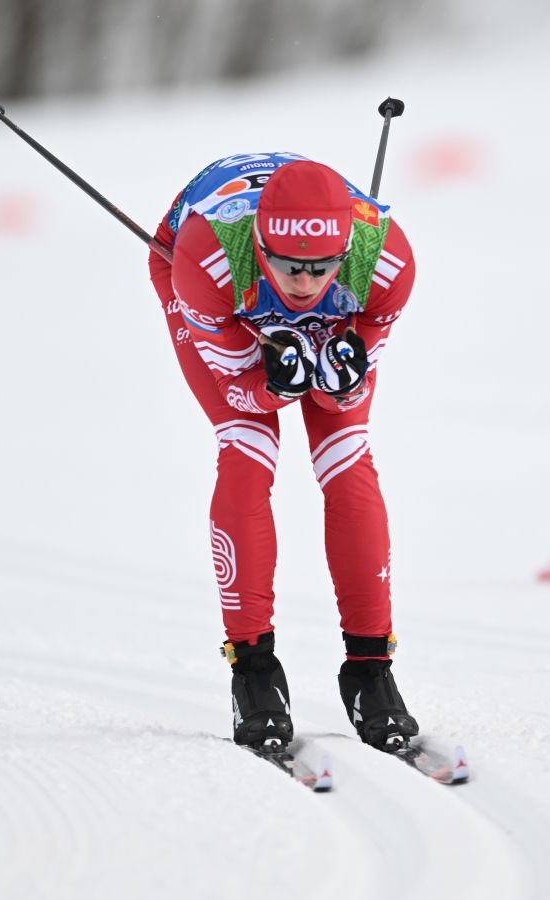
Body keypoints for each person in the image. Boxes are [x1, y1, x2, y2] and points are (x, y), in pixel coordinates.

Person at [147, 152, 419, 750]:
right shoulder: (206, 258)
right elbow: (238, 390)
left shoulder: (387, 261)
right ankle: (254, 672)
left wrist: (342, 371)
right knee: (247, 447)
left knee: (347, 460)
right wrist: (273, 381)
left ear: (348, 251)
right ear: (260, 247)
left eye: (321, 268)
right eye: (289, 265)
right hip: (210, 278)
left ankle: (371, 668)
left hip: (314, 292)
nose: (304, 283)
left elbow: (353, 376)